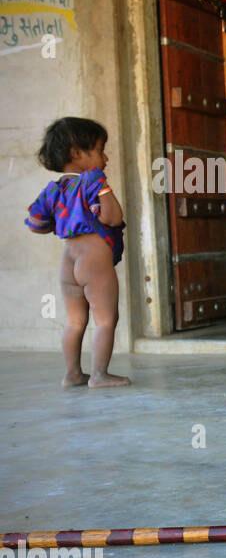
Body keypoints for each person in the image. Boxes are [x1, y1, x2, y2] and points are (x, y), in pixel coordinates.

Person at [26, 117, 130, 389]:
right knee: (107, 319)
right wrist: (104, 187)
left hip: (68, 259)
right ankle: (99, 375)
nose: (105, 157)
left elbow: (36, 225)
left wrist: (65, 221)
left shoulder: (53, 190)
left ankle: (72, 374)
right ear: (77, 154)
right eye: (99, 150)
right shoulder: (93, 181)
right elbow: (112, 217)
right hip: (94, 258)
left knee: (74, 320)